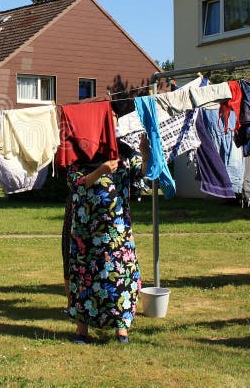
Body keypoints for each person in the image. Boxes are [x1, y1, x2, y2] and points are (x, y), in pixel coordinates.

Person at [65, 134, 148, 344]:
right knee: (85, 277)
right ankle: (81, 330)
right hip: (86, 231)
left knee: (120, 276)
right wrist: (100, 171)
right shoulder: (79, 151)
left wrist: (146, 153)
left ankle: (122, 329)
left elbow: (145, 173)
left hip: (117, 232)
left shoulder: (124, 152)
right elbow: (76, 184)